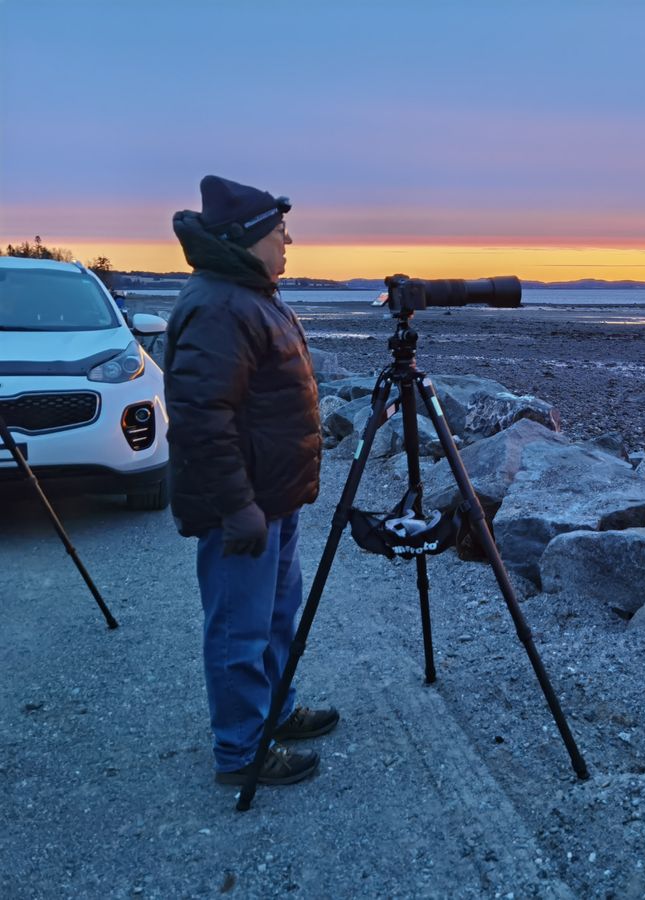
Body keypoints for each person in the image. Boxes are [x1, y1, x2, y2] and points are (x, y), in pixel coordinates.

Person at [165, 175, 338, 786]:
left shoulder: (248, 293)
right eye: (278, 230)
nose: (289, 238)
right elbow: (201, 419)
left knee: (274, 615)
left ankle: (275, 714)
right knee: (241, 627)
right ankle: (241, 752)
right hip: (244, 506)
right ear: (245, 238)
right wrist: (237, 507)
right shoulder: (219, 305)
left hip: (273, 497)